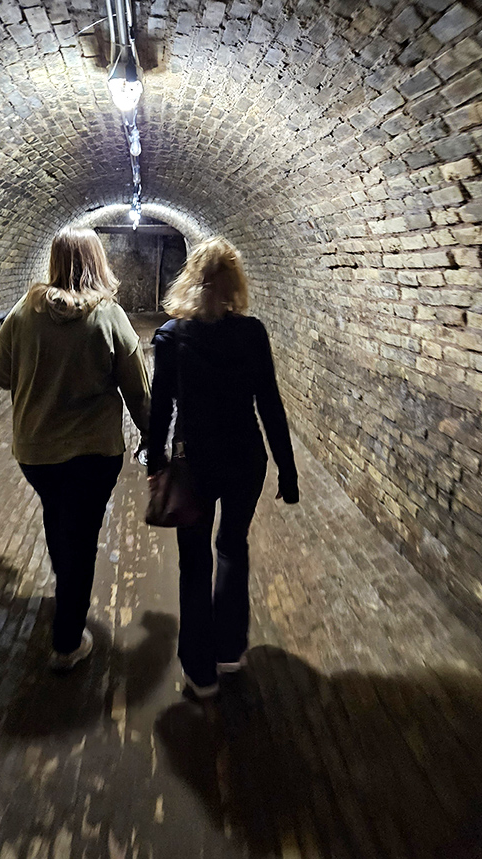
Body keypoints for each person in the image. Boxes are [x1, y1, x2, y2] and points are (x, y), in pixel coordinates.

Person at [147, 237, 299, 699]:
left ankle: (199, 670)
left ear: (191, 278)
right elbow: (269, 404)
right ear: (235, 283)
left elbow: (159, 409)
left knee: (194, 563)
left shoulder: (172, 336)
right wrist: (286, 469)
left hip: (195, 461)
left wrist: (155, 462)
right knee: (233, 547)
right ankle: (230, 649)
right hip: (245, 458)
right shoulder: (252, 332)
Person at [0, 227, 150, 671]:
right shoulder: (109, 316)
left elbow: (3, 374)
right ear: (97, 261)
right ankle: (66, 642)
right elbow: (138, 391)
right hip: (92, 453)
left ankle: (66, 587)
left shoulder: (23, 312)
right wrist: (155, 440)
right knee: (80, 537)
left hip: (36, 452)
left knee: (58, 518)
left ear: (55, 260)